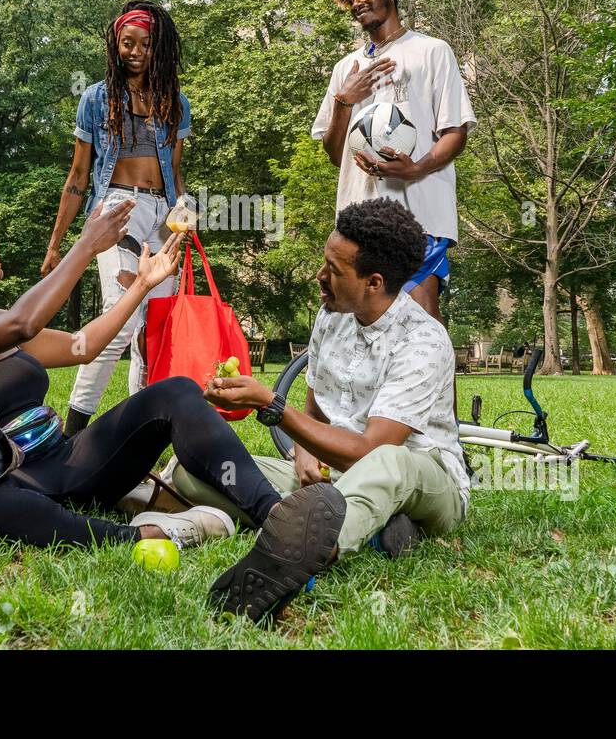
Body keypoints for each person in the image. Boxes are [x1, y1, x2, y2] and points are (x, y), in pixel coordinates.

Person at [0, 202, 286, 553]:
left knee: (176, 393)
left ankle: (277, 514)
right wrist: (84, 247)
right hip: (7, 481)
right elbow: (22, 324)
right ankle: (141, 535)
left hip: (68, 462)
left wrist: (143, 285)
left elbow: (83, 346)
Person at [188, 198, 471, 623]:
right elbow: (316, 410)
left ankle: (303, 551)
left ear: (374, 282)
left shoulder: (424, 342)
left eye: (334, 271)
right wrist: (304, 456)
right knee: (193, 468)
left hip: (424, 479)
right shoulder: (331, 315)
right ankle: (364, 528)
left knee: (393, 464)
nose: (320, 277)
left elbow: (369, 452)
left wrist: (270, 404)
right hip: (336, 477)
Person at [41, 1, 193, 437]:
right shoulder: (95, 98)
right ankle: (71, 434)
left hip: (164, 213)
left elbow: (176, 172)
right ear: (115, 45)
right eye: (128, 43)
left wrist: (186, 215)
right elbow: (77, 176)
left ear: (158, 47)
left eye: (146, 44)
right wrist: (57, 243)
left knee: (156, 324)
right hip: (117, 211)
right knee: (121, 318)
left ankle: (140, 430)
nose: (137, 51)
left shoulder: (174, 102)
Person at [312, 0, 476, 326]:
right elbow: (337, 156)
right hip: (358, 220)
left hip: (416, 215)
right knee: (345, 330)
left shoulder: (432, 52)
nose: (357, 3)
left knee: (422, 326)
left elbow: (456, 132)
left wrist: (416, 168)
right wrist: (343, 101)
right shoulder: (345, 70)